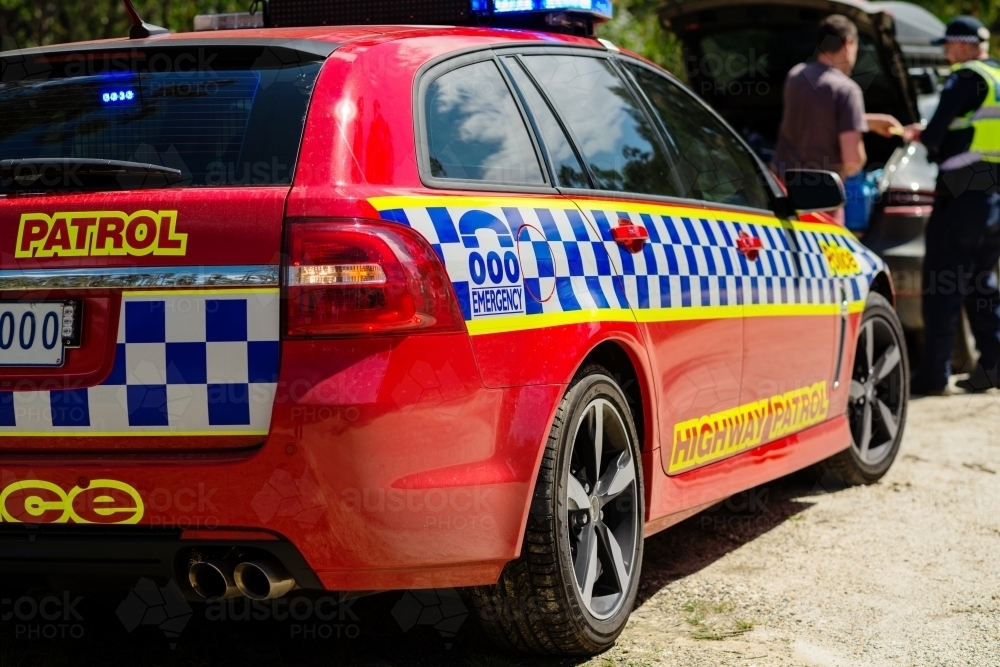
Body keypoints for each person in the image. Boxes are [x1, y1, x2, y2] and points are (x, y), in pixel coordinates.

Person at [906, 16, 1000, 395]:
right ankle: (991, 369)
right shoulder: (997, 78)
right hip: (994, 197)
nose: (946, 53)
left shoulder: (965, 77)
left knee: (943, 286)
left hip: (961, 196)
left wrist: (921, 135)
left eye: (948, 46)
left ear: (962, 45)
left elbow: (936, 132)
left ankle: (934, 376)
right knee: (984, 284)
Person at [772, 14, 905, 195]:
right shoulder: (847, 90)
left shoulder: (796, 76)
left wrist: (867, 122)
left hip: (780, 189)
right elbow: (852, 162)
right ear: (848, 43)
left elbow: (817, 116)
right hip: (820, 199)